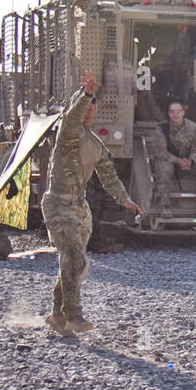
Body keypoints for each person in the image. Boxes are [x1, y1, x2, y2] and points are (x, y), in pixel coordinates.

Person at [43, 70, 143, 336]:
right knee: (73, 257)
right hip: (58, 204)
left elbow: (109, 176)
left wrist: (125, 200)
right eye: (88, 104)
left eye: (93, 104)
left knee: (74, 263)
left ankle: (56, 314)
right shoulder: (68, 134)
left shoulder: (96, 143)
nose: (91, 108)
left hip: (79, 207)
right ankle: (74, 317)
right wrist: (86, 94)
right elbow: (73, 116)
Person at [152, 100, 196, 217]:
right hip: (169, 160)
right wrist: (177, 161)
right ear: (168, 114)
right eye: (172, 112)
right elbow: (161, 151)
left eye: (178, 111)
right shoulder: (162, 129)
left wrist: (191, 160)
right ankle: (165, 207)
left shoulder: (193, 128)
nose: (175, 114)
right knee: (165, 170)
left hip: (188, 161)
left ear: (183, 113)